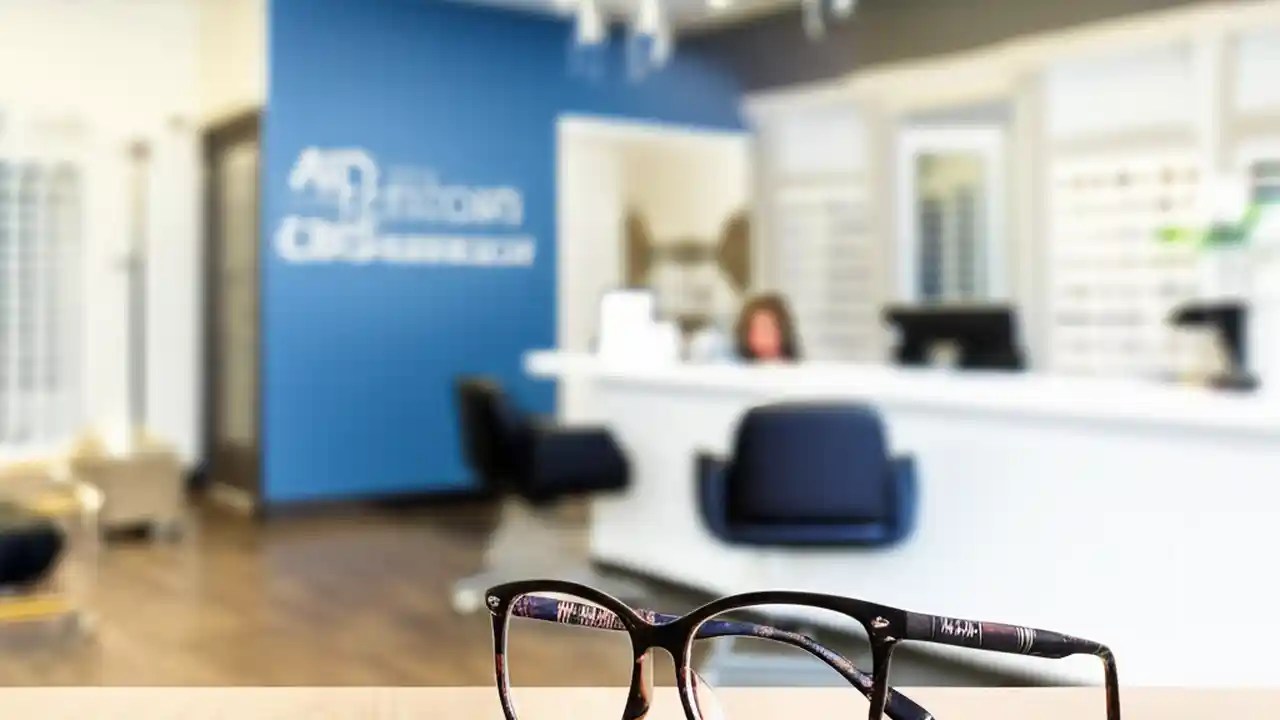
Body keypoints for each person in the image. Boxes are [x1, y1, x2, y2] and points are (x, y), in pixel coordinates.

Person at [734, 293, 801, 363]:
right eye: (755, 329)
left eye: (766, 327)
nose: (761, 335)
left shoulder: (801, 370)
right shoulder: (737, 370)